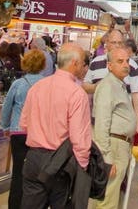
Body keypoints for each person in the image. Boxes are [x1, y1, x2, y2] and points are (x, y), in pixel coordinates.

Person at [20, 43, 92, 209]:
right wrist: (82, 167)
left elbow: (24, 124)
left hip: (34, 157)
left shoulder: (37, 87)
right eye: (83, 63)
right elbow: (79, 137)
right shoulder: (76, 93)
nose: (84, 67)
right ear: (74, 63)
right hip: (60, 161)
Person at [0, 47, 46, 209]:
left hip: (18, 131)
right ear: (42, 64)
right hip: (39, 134)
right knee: (37, 174)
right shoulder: (47, 84)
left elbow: (6, 108)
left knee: (18, 173)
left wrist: (5, 126)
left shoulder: (18, 84)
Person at [92, 45, 137, 209]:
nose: (125, 65)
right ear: (109, 66)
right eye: (120, 61)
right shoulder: (108, 86)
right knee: (107, 199)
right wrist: (106, 158)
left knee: (112, 196)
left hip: (120, 145)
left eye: (127, 61)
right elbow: (101, 123)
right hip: (113, 146)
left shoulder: (119, 85)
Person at [84, 30, 138, 135]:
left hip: (122, 125)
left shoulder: (131, 65)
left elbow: (137, 96)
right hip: (98, 122)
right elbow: (85, 86)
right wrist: (96, 87)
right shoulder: (95, 62)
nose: (117, 45)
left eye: (120, 43)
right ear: (107, 43)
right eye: (113, 42)